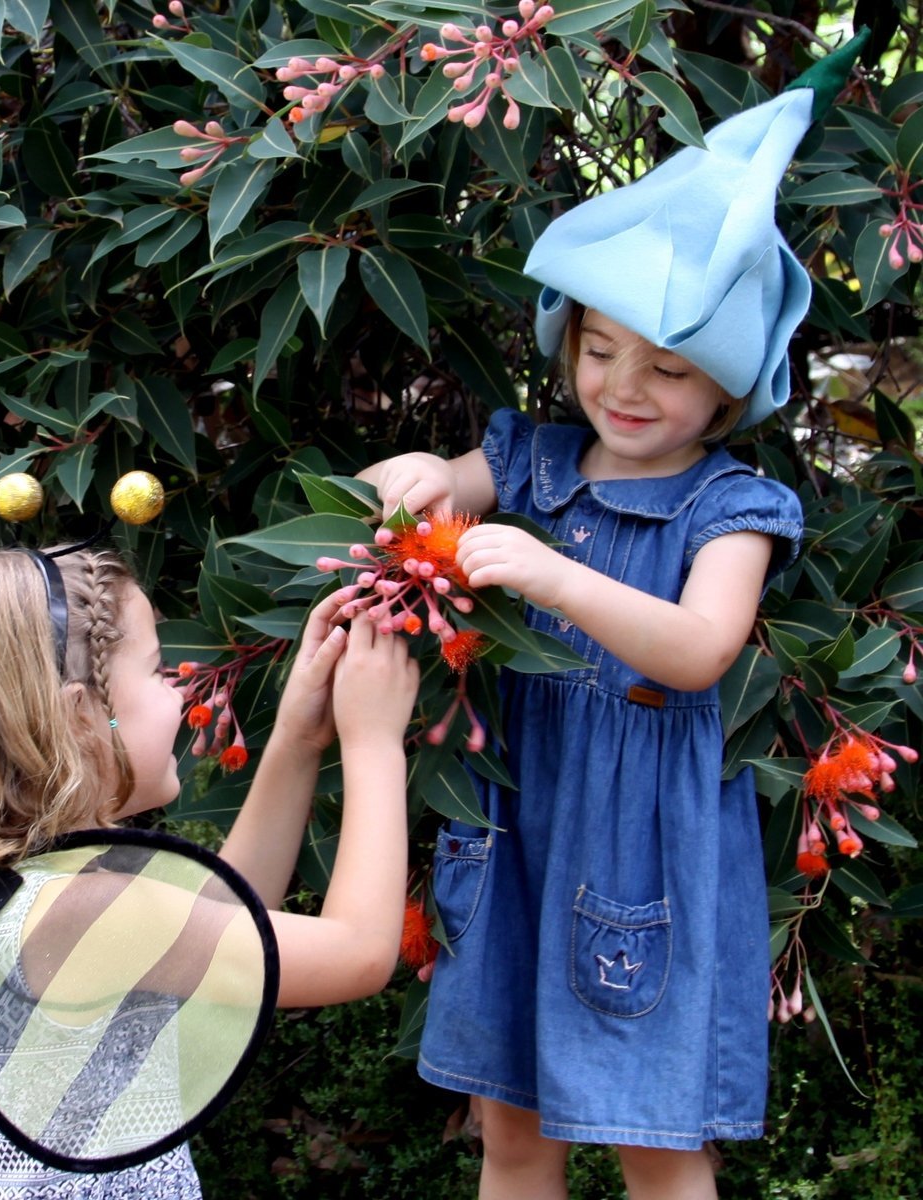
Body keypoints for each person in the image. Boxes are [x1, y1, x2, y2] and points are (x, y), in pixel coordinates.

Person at [355, 39, 867, 1198]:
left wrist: (553, 578)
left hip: (648, 847)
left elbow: (698, 651)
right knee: (512, 1134)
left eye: (669, 371)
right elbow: (442, 484)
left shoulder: (731, 507)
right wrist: (407, 484)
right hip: (520, 816)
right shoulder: (529, 462)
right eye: (599, 351)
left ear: (730, 388)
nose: (625, 389)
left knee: (660, 1140)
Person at [0, 543, 418, 1198]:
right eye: (155, 672)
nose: (180, 687)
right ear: (81, 718)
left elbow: (223, 924)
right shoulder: (79, 912)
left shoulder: (9, 886)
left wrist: (296, 738)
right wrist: (374, 740)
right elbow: (361, 953)